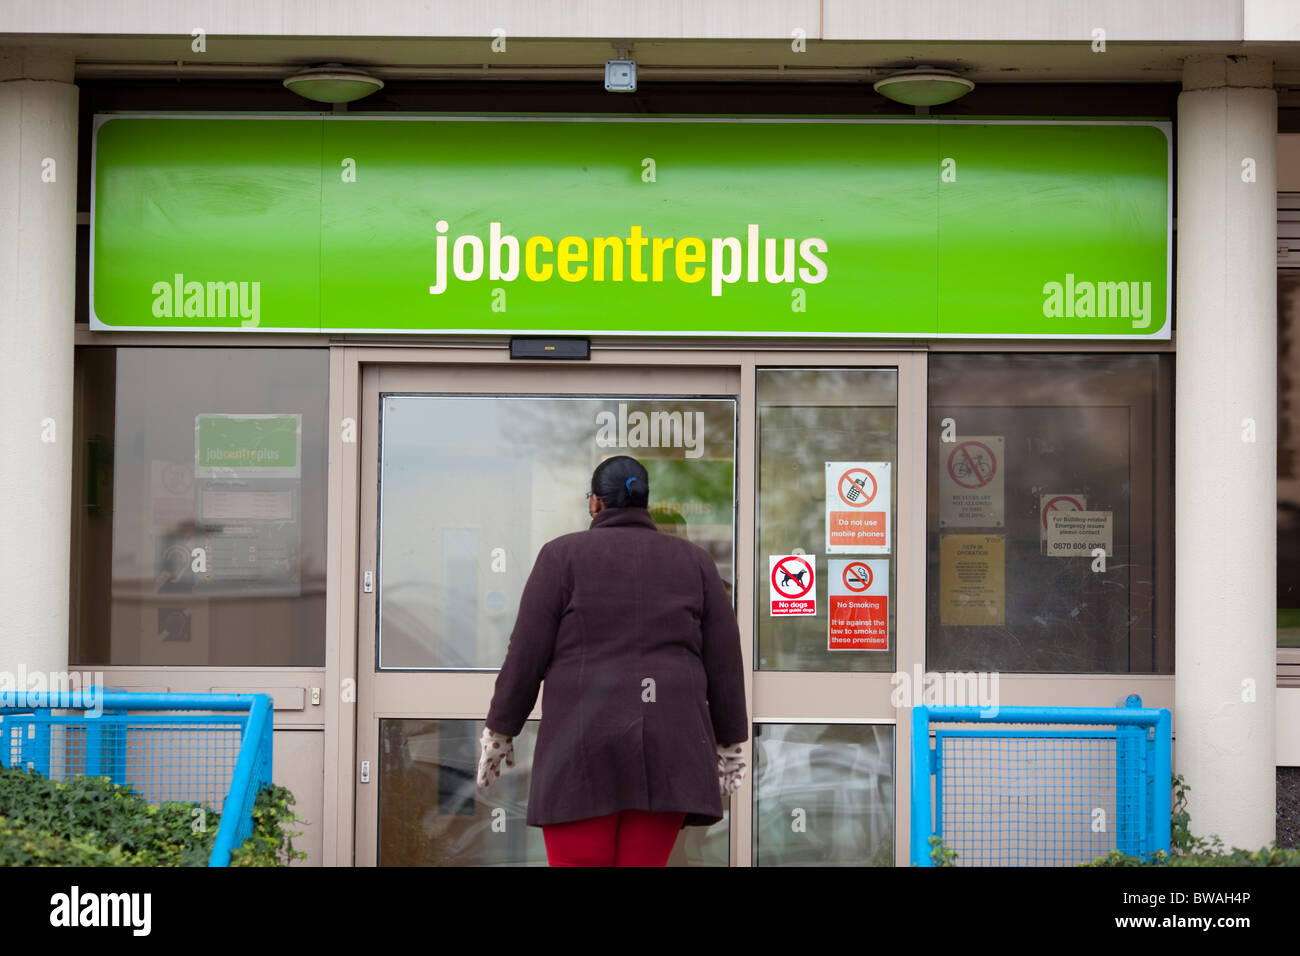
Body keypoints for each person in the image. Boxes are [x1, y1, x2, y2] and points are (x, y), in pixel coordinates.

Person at [476, 454, 748, 866]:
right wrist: (730, 742)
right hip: (668, 750)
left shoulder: (561, 557)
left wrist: (500, 730)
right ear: (645, 503)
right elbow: (724, 662)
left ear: (594, 504)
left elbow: (526, 654)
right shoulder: (695, 563)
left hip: (580, 748)